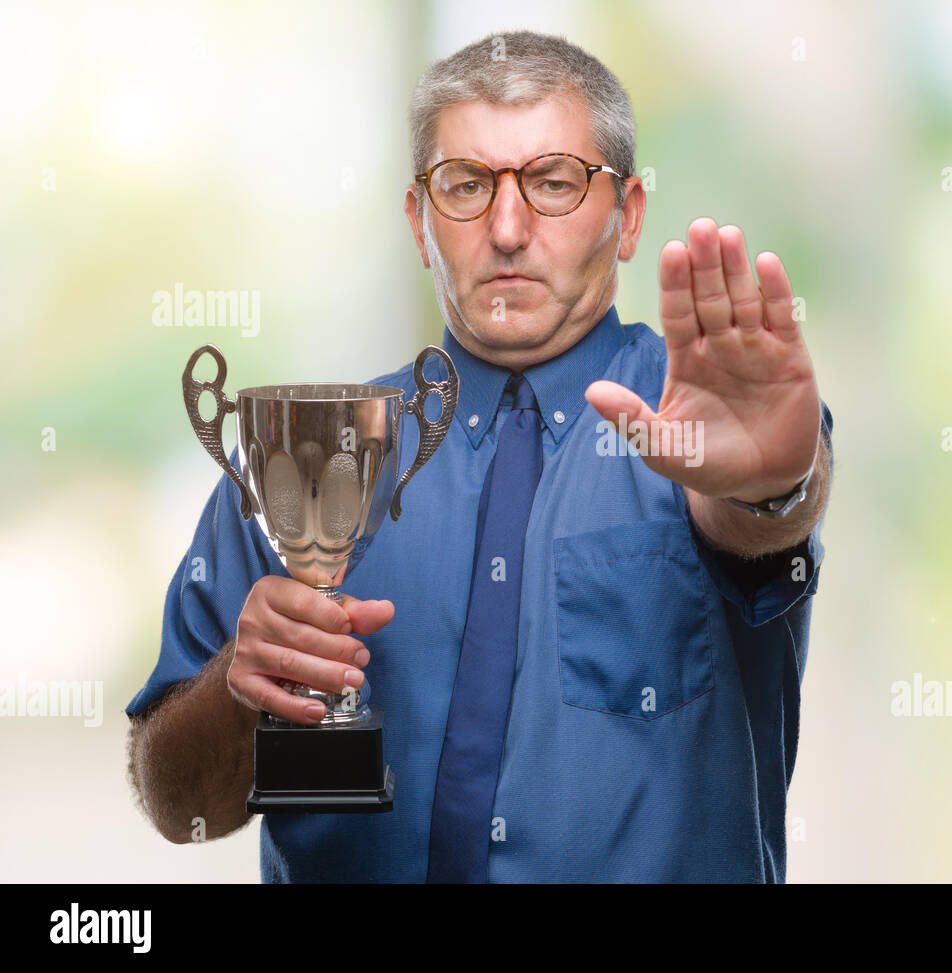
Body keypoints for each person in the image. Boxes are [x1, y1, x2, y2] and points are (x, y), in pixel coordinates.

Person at [126, 29, 833, 883]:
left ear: (628, 215)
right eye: (465, 187)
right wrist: (242, 690)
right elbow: (179, 807)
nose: (507, 228)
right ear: (420, 221)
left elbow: (763, 520)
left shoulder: (698, 416)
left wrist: (771, 487)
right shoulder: (304, 455)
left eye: (554, 182)